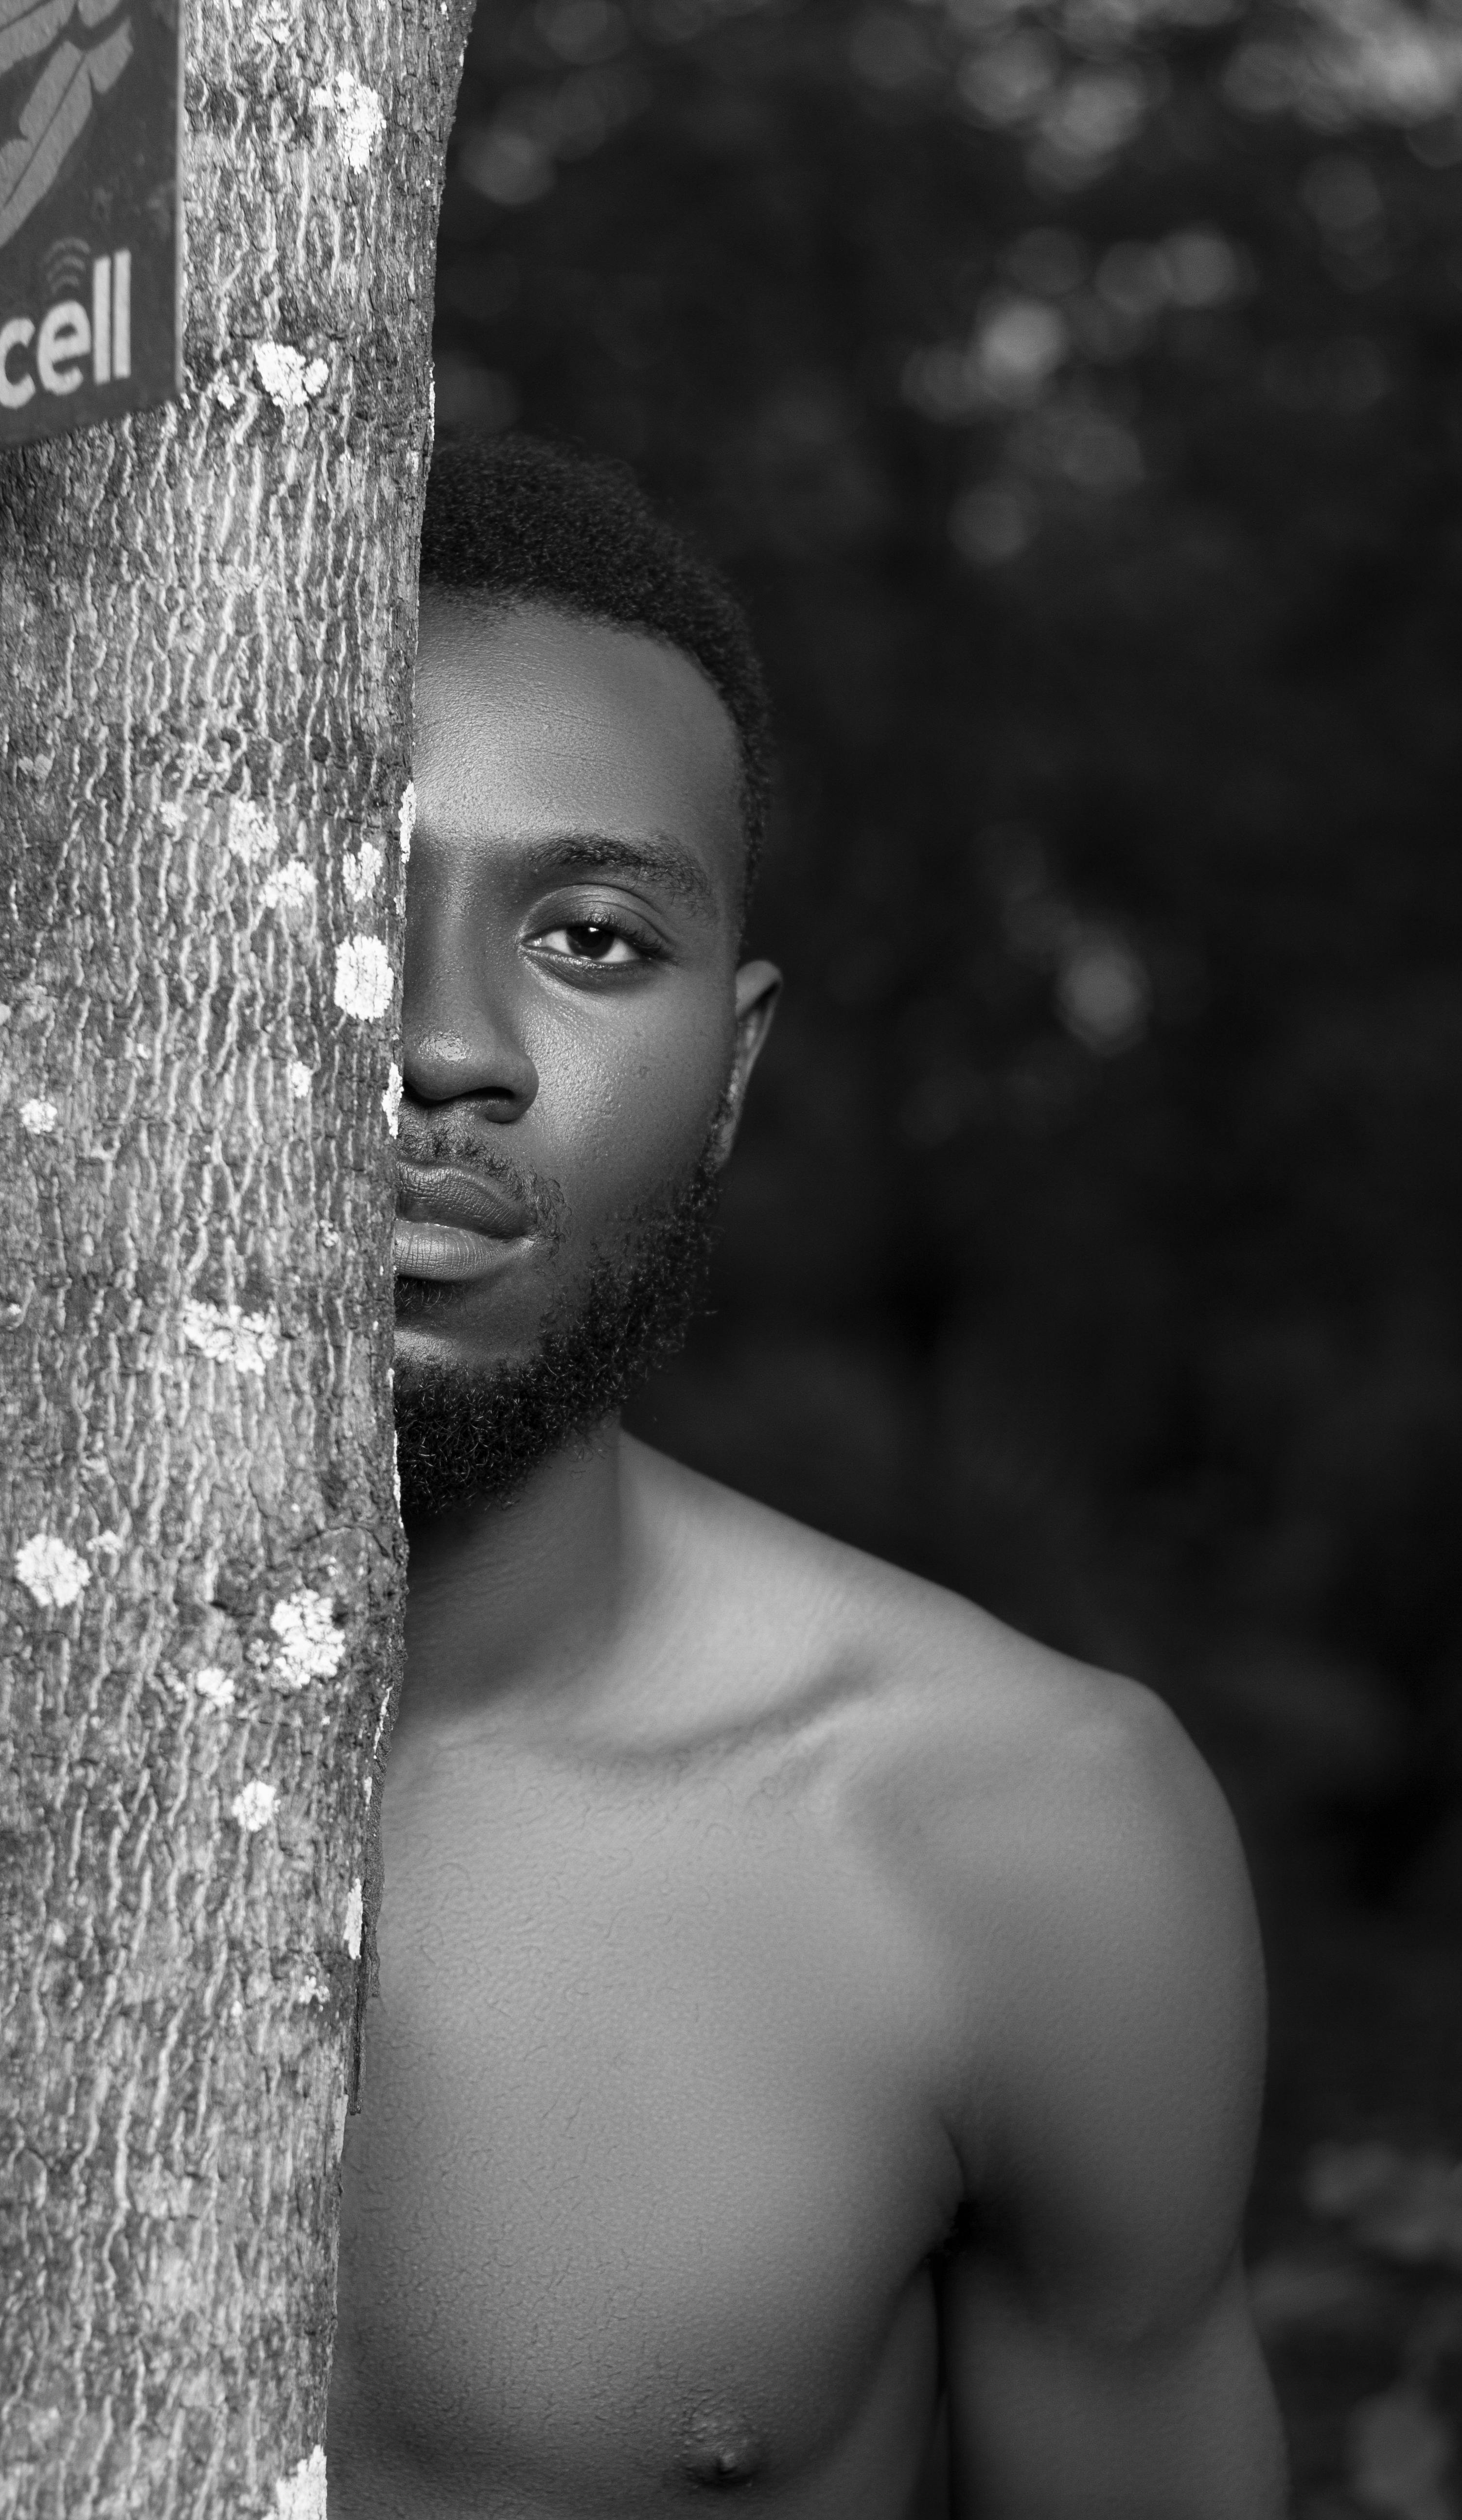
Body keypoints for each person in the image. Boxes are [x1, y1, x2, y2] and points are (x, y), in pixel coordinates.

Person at [326, 435, 1287, 2518]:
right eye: (332, 890)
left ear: (733, 1069)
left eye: (588, 936)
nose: (446, 1043)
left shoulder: (1012, 1836)